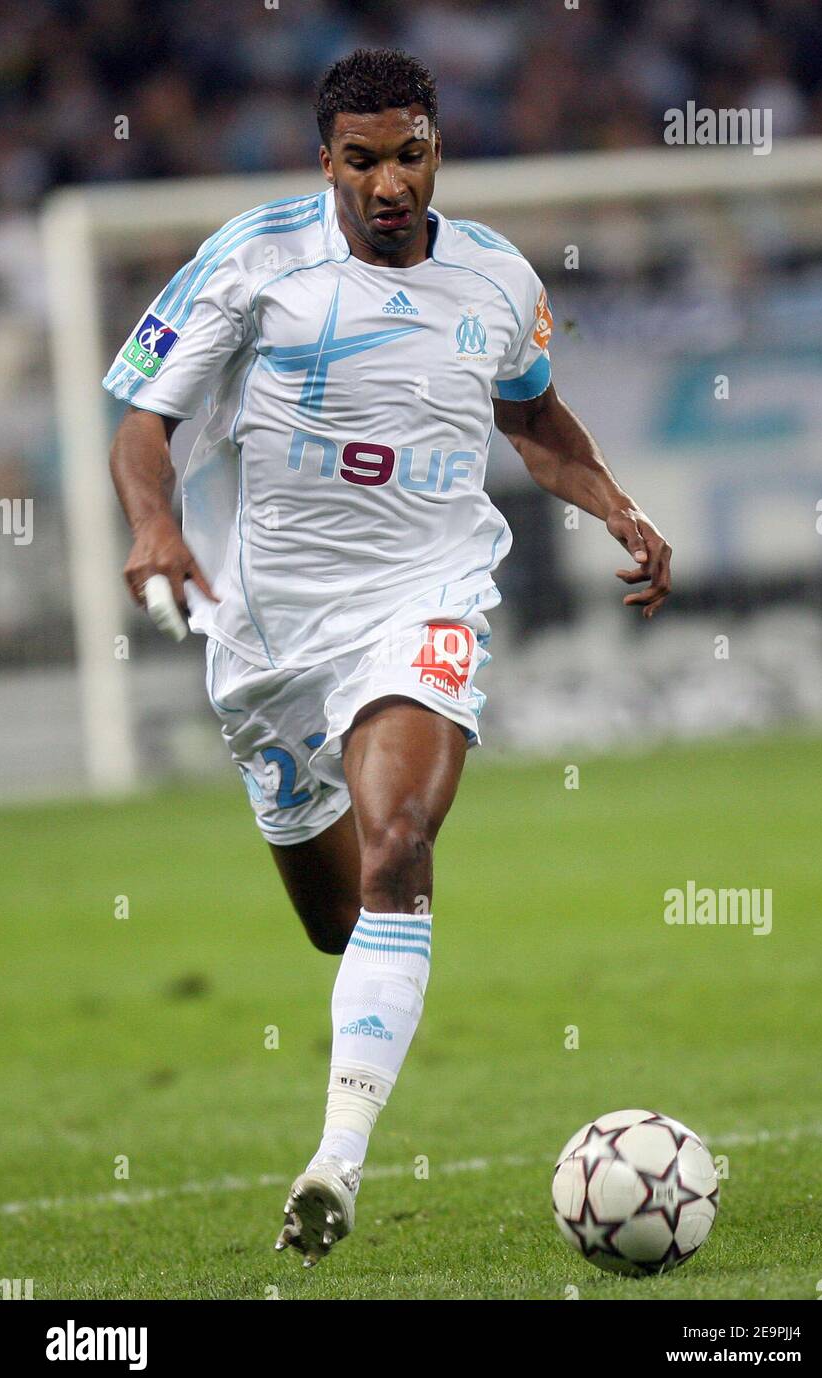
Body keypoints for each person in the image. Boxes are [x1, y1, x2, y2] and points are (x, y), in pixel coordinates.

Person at [105, 47, 672, 1267]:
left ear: (435, 150)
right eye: (360, 160)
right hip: (266, 635)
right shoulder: (255, 260)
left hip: (425, 589)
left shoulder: (497, 275)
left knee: (402, 838)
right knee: (335, 920)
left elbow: (531, 416)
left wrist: (614, 503)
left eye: (408, 153)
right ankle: (355, 969)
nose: (388, 182)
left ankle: (336, 1161)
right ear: (326, 162)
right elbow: (146, 422)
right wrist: (155, 523)